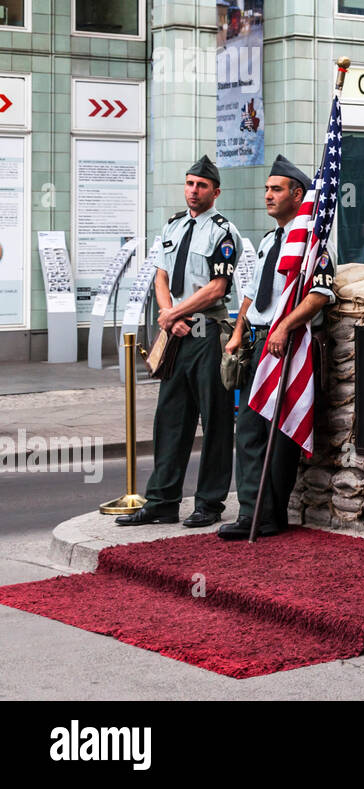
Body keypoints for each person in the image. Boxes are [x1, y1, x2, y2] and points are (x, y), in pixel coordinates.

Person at [117, 155, 243, 527]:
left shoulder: (223, 232)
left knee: (215, 420)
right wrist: (169, 315)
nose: (193, 190)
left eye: (201, 185)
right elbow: (160, 275)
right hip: (176, 334)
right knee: (170, 419)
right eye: (189, 183)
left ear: (215, 192)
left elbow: (218, 288)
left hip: (207, 335)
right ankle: (162, 500)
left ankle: (209, 504)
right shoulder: (172, 227)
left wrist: (174, 314)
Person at [216, 157, 337, 540]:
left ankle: (267, 516)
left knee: (276, 434)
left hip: (287, 346)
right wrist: (238, 332)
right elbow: (252, 293)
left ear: (297, 195)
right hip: (259, 343)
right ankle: (251, 512)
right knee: (249, 431)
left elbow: (320, 293)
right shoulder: (271, 240)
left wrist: (284, 326)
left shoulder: (313, 242)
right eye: (267, 189)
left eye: (276, 189)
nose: (268, 195)